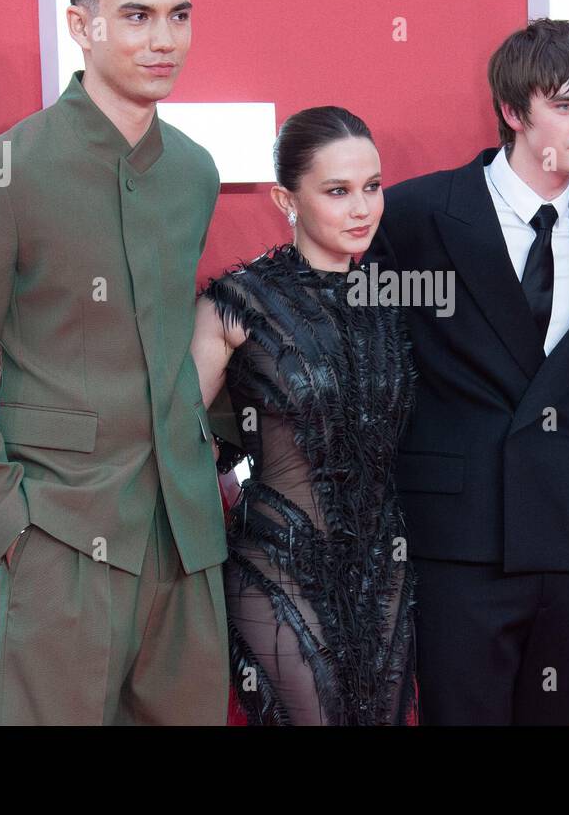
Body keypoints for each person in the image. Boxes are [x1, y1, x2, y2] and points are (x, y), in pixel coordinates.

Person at [0, 0, 229, 725]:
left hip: (187, 543)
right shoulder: (1, 169)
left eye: (179, 15)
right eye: (137, 16)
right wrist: (7, 522)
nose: (164, 40)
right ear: (81, 26)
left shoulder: (194, 170)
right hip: (61, 532)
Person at [364, 19, 569, 725]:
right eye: (566, 106)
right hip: (454, 541)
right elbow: (365, 355)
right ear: (512, 112)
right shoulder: (417, 217)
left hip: (561, 543)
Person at [192, 106, 417, 725]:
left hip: (384, 570)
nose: (362, 209)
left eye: (372, 188)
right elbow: (176, 437)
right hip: (276, 566)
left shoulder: (392, 299)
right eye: (337, 192)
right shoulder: (236, 305)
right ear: (284, 199)